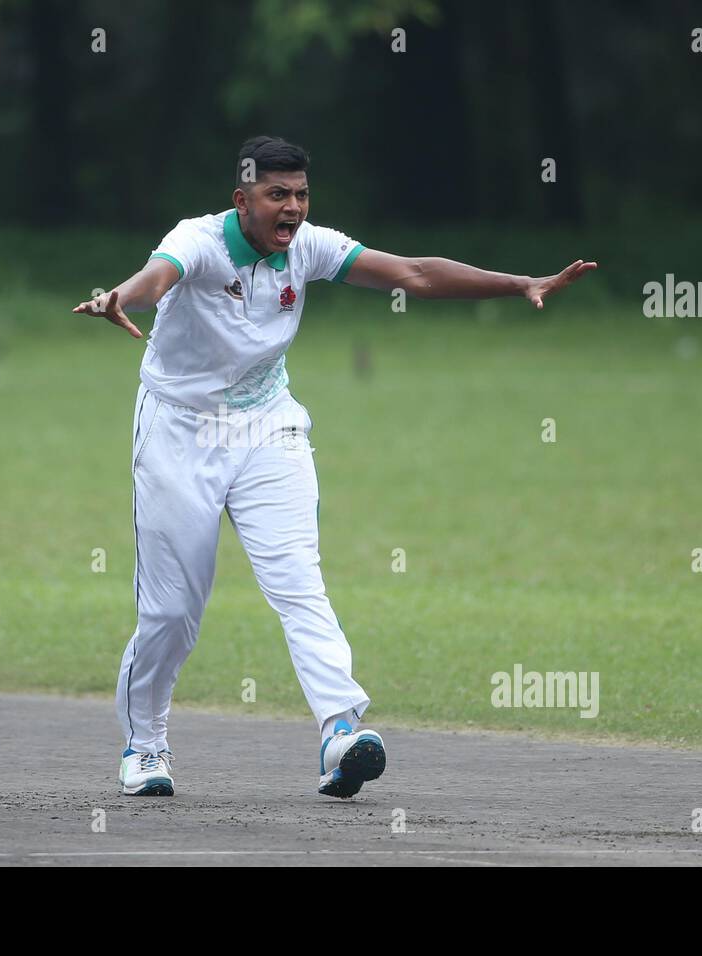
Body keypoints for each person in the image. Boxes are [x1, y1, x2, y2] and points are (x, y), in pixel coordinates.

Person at [72, 135, 596, 798]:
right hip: (179, 431)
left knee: (298, 580)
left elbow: (413, 274)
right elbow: (157, 277)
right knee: (173, 611)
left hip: (268, 428)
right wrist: (121, 297)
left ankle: (340, 732)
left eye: (300, 194)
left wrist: (520, 283)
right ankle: (144, 748)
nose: (292, 207)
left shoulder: (309, 246)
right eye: (276, 195)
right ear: (242, 200)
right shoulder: (199, 240)